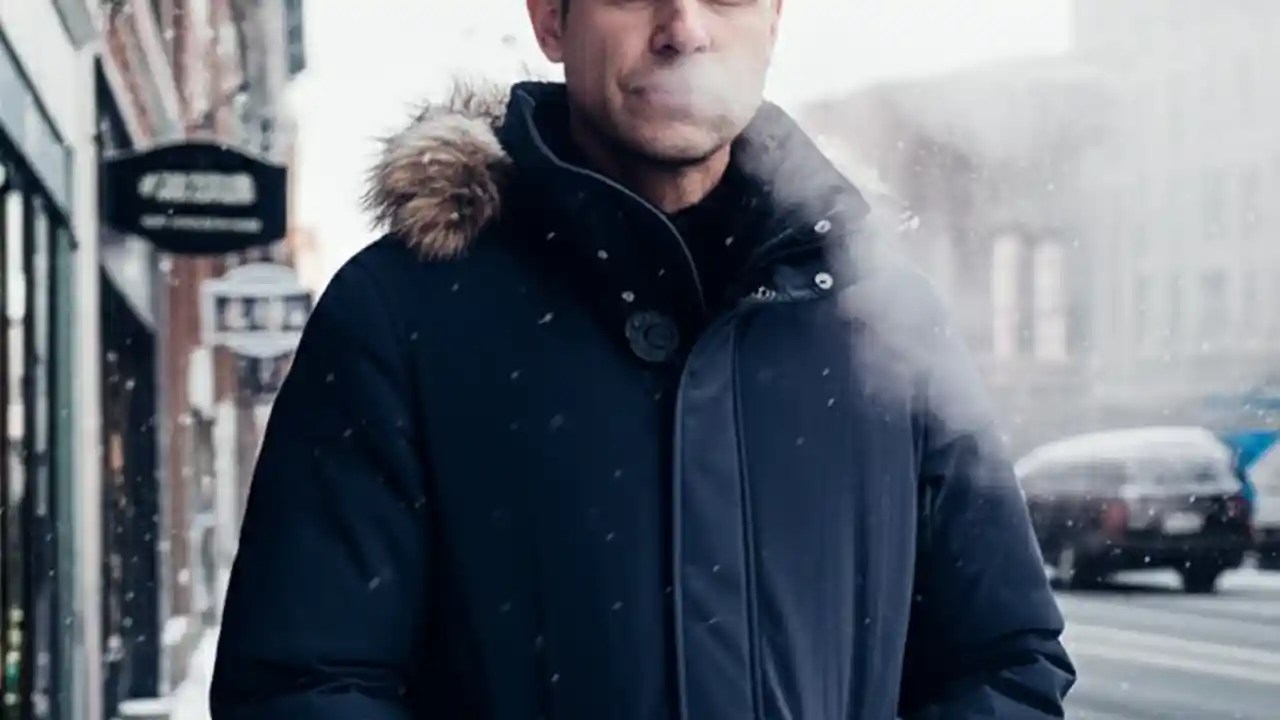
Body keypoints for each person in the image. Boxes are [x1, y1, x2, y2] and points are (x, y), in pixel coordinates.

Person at [210, 0, 1076, 718]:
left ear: (774, 21)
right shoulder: (401, 312)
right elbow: (303, 685)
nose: (684, 28)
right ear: (551, 19)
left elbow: (1004, 663)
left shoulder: (888, 320)